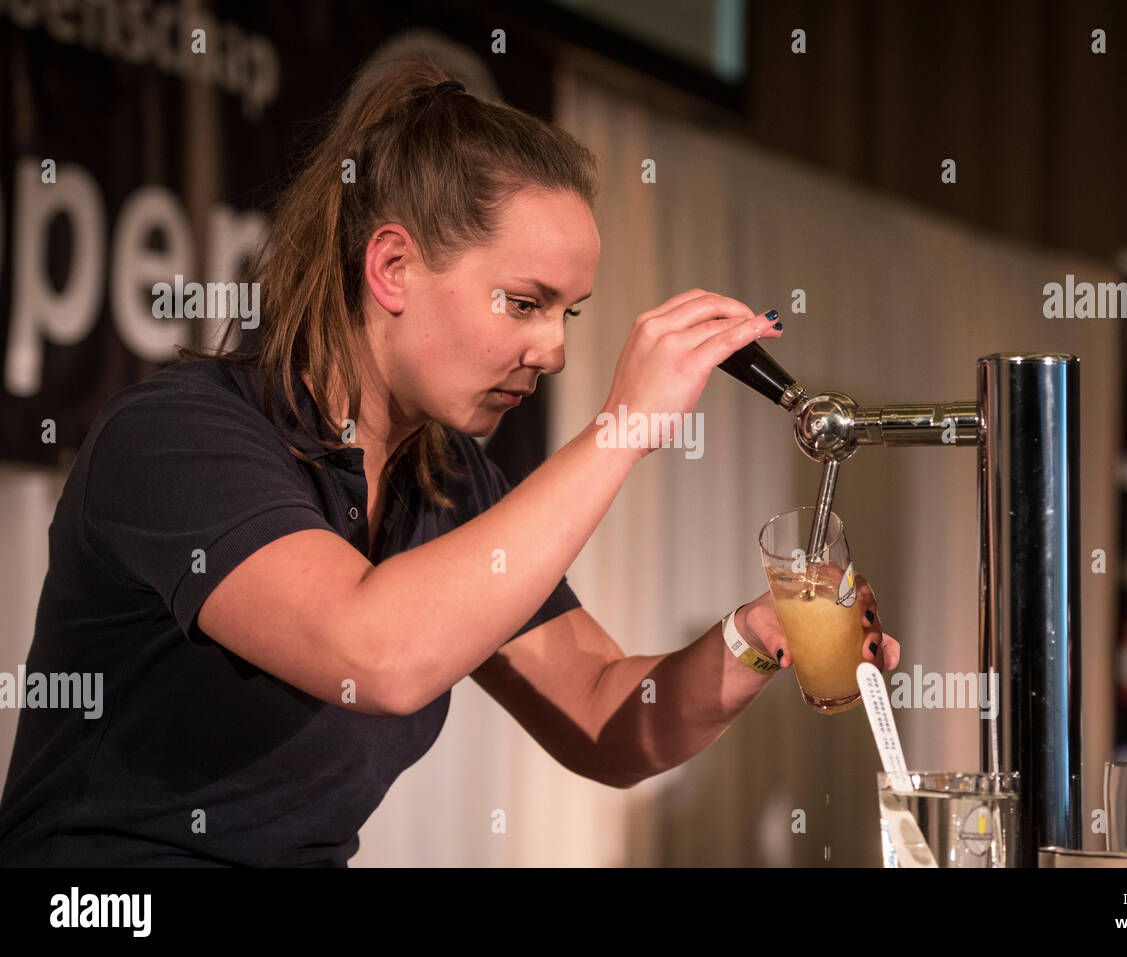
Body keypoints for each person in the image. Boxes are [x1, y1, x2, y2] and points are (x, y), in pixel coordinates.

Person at [0, 57, 898, 866]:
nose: (550, 351)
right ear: (391, 265)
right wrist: (621, 427)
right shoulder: (177, 437)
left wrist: (755, 638)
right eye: (523, 303)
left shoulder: (448, 480)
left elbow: (600, 711)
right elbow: (378, 652)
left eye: (568, 314)